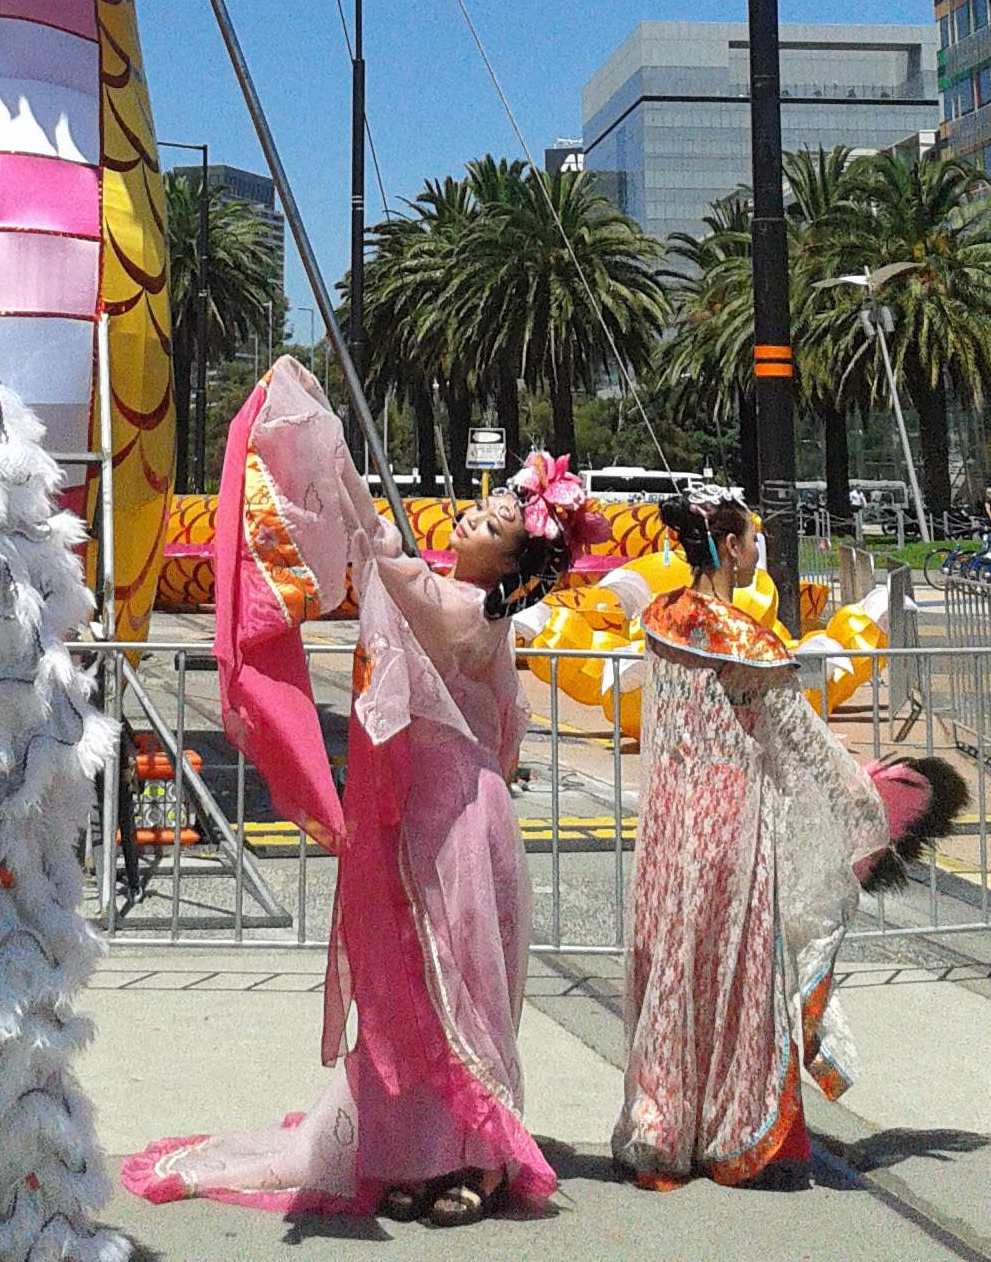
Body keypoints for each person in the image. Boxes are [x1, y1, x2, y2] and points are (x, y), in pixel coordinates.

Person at [124, 359, 602, 1227]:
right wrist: (323, 435)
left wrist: (338, 462)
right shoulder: (440, 590)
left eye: (497, 520)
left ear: (512, 563)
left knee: (460, 990)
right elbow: (374, 539)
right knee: (410, 989)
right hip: (415, 811)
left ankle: (480, 1159)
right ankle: (421, 1152)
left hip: (457, 821)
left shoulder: (472, 614)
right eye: (485, 506)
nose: (476, 513)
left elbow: (389, 561)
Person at [613, 492, 889, 1189]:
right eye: (751, 539)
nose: (756, 551)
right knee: (736, 972)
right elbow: (798, 735)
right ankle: (733, 1126)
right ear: (731, 548)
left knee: (674, 964)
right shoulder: (746, 641)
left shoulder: (661, 619)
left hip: (670, 820)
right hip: (733, 820)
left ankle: (661, 1122)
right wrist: (862, 803)